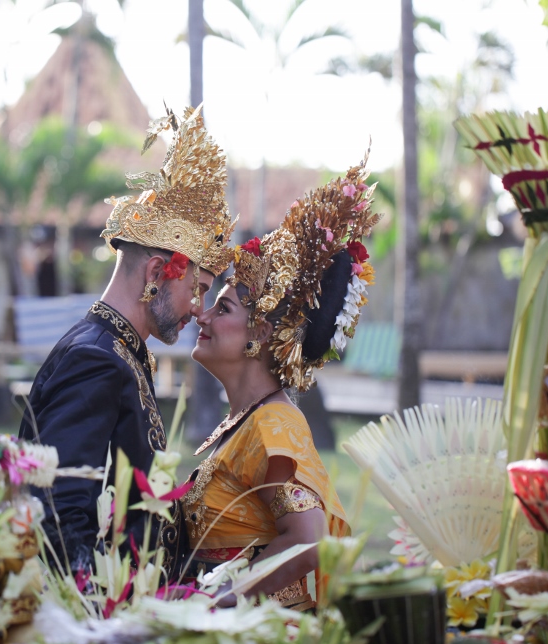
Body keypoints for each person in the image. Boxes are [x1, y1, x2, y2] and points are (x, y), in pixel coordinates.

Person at [20, 105, 235, 574]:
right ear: (158, 273)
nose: (199, 308)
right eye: (196, 289)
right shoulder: (95, 361)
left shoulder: (120, 352)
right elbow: (58, 517)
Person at [178, 155, 381, 611]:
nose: (202, 315)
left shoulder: (273, 426)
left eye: (223, 309)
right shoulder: (253, 420)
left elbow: (307, 540)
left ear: (261, 333)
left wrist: (217, 601)